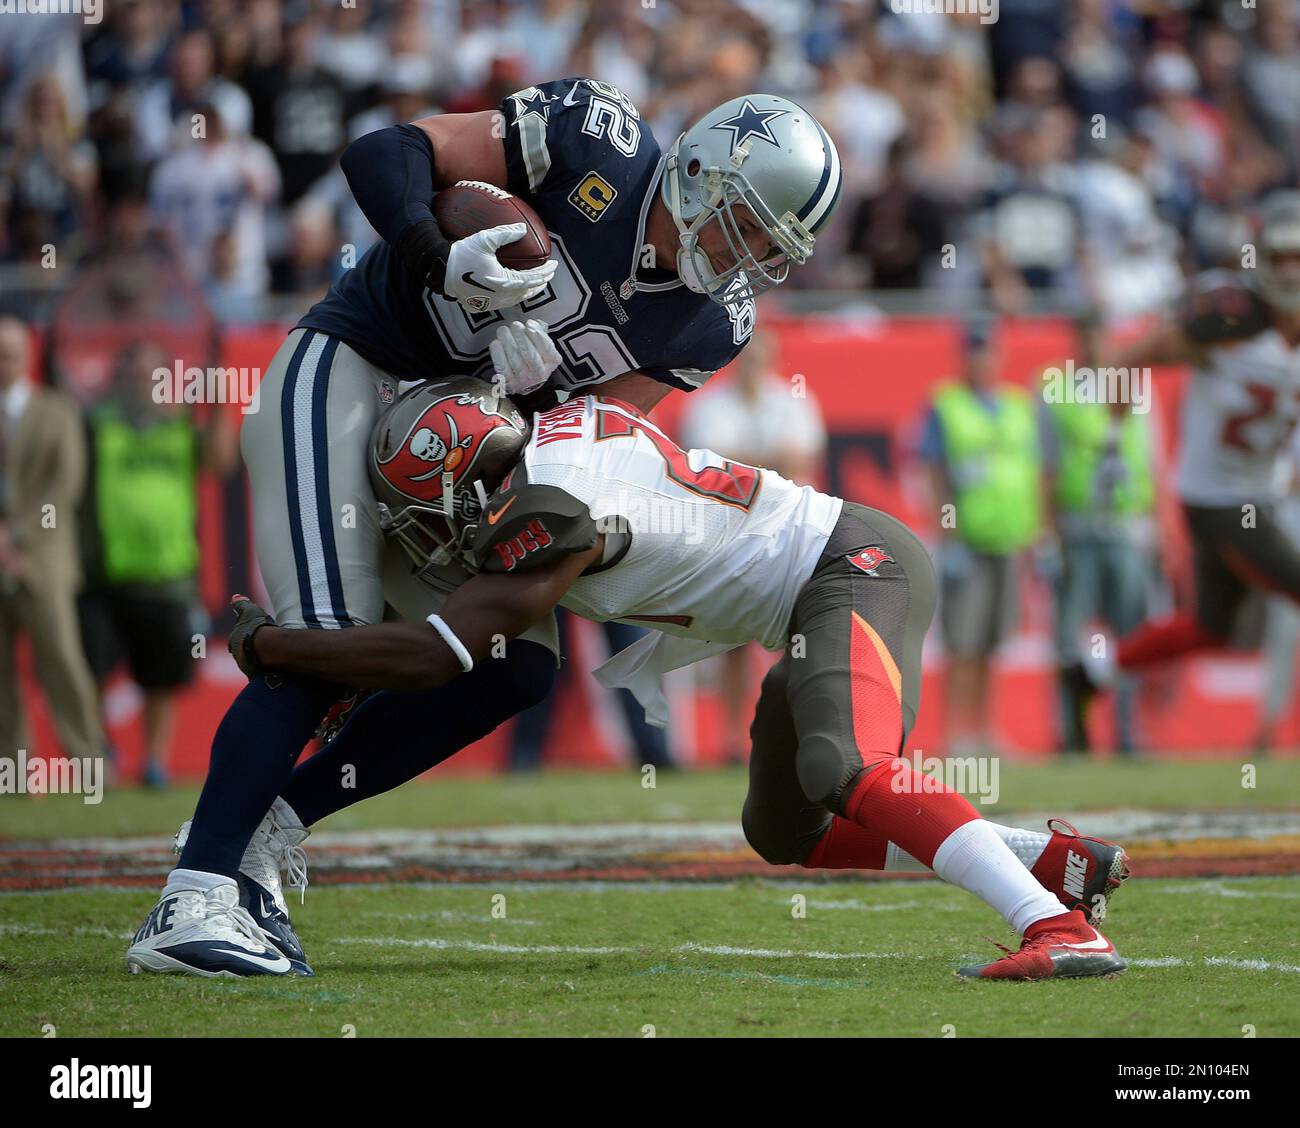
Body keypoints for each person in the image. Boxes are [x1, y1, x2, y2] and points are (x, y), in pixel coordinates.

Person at [151, 77, 846, 975]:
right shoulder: (599, 141)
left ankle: (269, 831)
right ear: (708, 171)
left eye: (770, 246)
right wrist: (434, 253)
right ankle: (191, 899)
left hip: (453, 454)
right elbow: (383, 151)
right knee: (330, 631)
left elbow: (592, 438)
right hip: (355, 372)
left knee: (514, 666)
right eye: (748, 222)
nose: (749, 255)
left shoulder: (715, 321)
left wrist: (526, 404)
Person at [128, 378, 1130, 982]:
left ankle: (1055, 926)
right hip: (806, 601)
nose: (420, 534)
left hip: (850, 568)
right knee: (784, 827)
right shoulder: (552, 437)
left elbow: (439, 653)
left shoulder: (552, 511)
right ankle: (1044, 860)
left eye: (419, 508)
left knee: (842, 760)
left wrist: (271, 651)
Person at [1071, 191, 1300, 703]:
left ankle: (1094, 671)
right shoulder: (1230, 321)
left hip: (1259, 493)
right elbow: (1126, 359)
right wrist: (1112, 442)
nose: (1288, 272)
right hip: (1220, 500)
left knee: (1209, 629)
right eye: (1279, 258)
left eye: (1297, 259)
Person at [77, 341, 239, 787]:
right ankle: (101, 753)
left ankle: (153, 763)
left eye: (150, 374)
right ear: (118, 378)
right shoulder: (96, 426)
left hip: (167, 576)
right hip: (102, 572)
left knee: (160, 679)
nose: (140, 381)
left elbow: (221, 461)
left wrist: (219, 402)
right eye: (132, 372)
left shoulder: (182, 427)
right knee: (91, 669)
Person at [680, 327, 827, 761]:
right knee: (732, 641)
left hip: (786, 537)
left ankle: (796, 736)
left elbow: (795, 463)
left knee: (795, 640)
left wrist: (748, 467)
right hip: (731, 537)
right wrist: (769, 467)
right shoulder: (708, 404)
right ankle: (733, 740)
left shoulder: (792, 400)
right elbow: (714, 472)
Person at [919, 320, 1043, 757]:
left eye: (988, 351)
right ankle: (956, 736)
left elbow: (1032, 473)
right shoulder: (947, 405)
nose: (982, 360)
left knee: (992, 641)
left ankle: (988, 733)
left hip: (1008, 536)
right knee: (962, 643)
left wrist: (1038, 535)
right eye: (975, 352)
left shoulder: (1017, 405)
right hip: (967, 540)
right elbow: (936, 474)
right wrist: (947, 536)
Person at [1041, 313, 1162, 755]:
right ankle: (1072, 731)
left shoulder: (1133, 387)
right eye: (1086, 335)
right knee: (1069, 634)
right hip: (1079, 525)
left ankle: (1129, 733)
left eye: (1099, 334)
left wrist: (1160, 530)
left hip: (1127, 527)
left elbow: (1153, 461)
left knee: (1131, 636)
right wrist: (1048, 534)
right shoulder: (1057, 389)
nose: (1094, 343)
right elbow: (1047, 466)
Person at [0, 315, 103, 773]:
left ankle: (88, 763)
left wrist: (14, 534)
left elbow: (64, 487)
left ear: (27, 356)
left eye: (9, 353)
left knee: (61, 659)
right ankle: (12, 770)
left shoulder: (57, 410)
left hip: (43, 560)